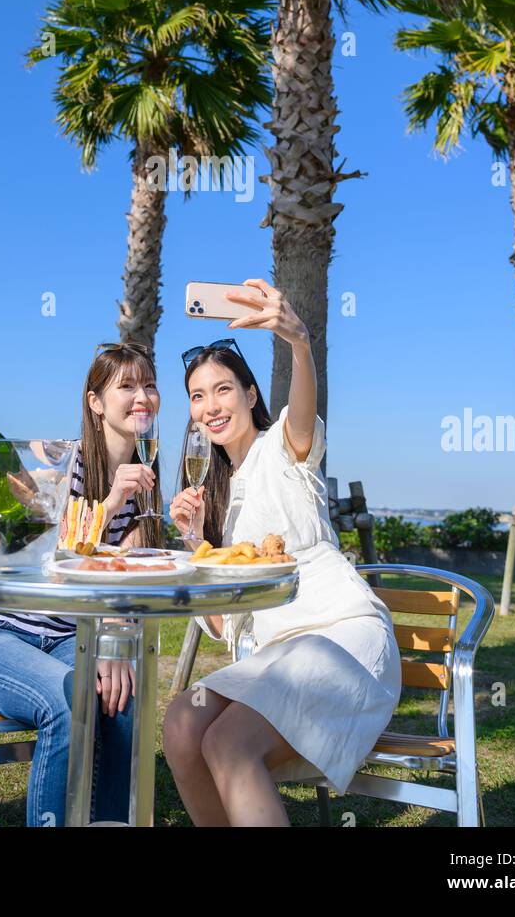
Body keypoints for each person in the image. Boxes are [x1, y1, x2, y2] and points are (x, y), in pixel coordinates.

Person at [165, 278, 402, 827]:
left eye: (223, 389)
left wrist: (298, 342)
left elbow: (302, 408)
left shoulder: (285, 450)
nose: (209, 406)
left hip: (338, 640)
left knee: (228, 743)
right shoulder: (223, 517)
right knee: (182, 723)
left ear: (250, 395)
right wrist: (196, 544)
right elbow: (224, 629)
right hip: (274, 662)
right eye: (197, 396)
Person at [0, 342, 162, 826]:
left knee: (123, 701)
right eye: (126, 386)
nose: (142, 395)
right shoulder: (56, 460)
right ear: (95, 403)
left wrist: (112, 637)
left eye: (149, 384)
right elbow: (42, 544)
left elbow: (122, 574)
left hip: (71, 638)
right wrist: (108, 503)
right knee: (68, 703)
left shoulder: (146, 474)